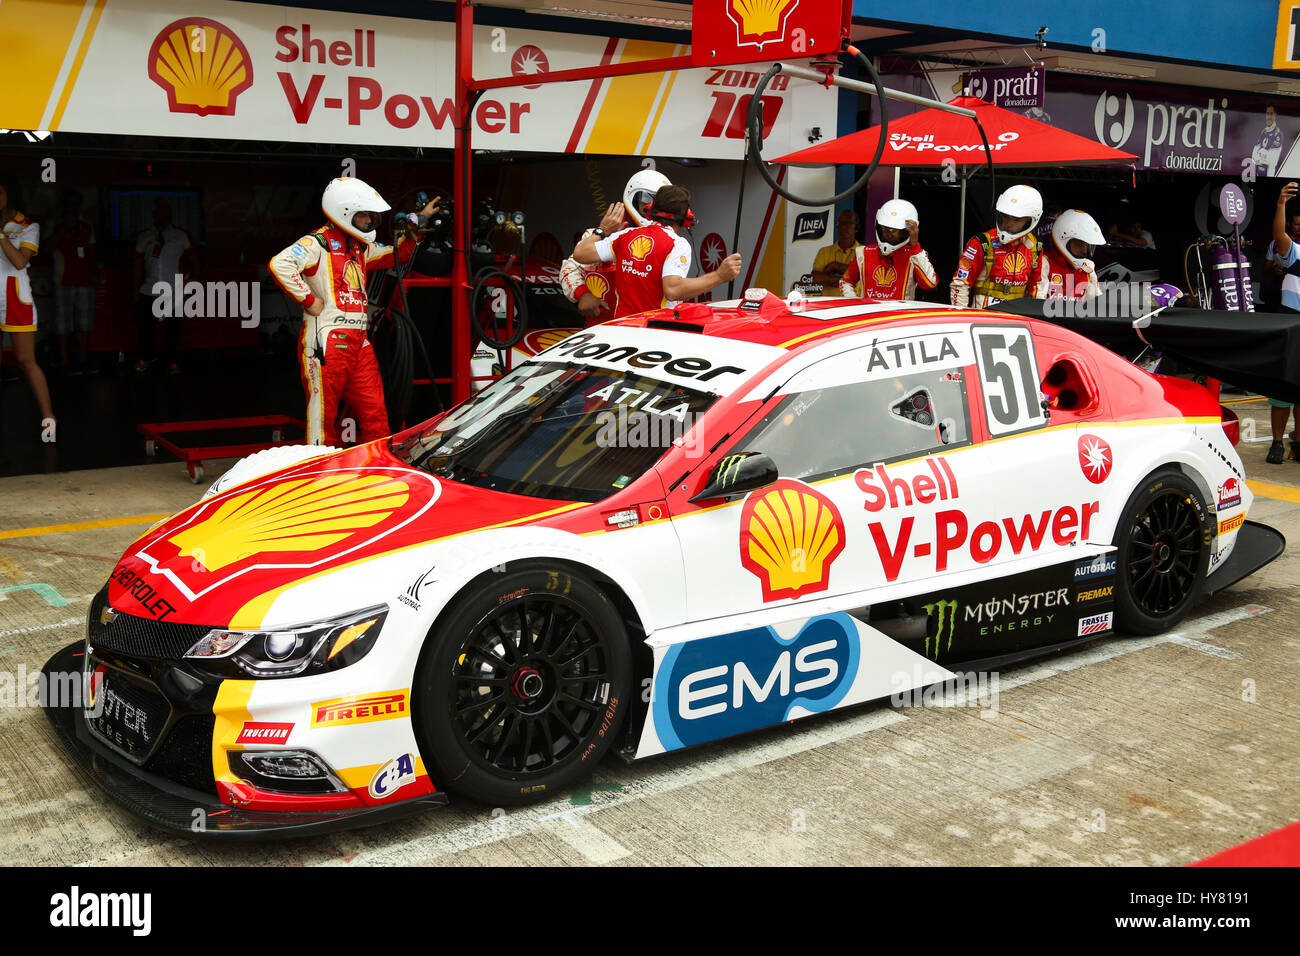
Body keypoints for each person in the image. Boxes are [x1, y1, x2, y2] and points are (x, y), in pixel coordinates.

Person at [270, 177, 436, 447]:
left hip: (359, 341)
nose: (370, 221)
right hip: (326, 340)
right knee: (323, 421)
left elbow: (398, 255)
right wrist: (308, 299)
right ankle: (319, 480)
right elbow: (280, 264)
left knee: (376, 417)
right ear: (345, 212)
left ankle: (380, 475)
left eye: (371, 215)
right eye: (365, 215)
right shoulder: (317, 242)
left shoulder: (361, 247)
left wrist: (418, 221)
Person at [571, 184, 740, 318]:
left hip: (622, 328)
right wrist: (719, 276)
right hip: (655, 332)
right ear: (687, 219)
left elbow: (580, 254)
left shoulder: (625, 235)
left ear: (650, 210)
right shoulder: (677, 244)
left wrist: (602, 230)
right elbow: (672, 290)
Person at [560, 170, 669, 324]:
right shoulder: (598, 236)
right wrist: (583, 294)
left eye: (659, 201)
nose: (652, 205)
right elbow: (569, 268)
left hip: (647, 327)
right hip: (601, 330)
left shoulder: (669, 240)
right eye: (646, 197)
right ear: (634, 198)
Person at [0, 175, 55, 437]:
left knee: (25, 360)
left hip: (15, 298)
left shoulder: (28, 226)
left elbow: (20, 262)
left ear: (9, 194)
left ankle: (49, 418)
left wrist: (0, 234)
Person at [950, 184, 1044, 308]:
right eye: (1004, 216)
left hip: (1018, 320)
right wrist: (960, 316)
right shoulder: (982, 243)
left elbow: (1037, 288)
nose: (1008, 223)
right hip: (983, 319)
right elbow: (960, 283)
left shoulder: (1035, 248)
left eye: (1015, 220)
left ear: (1030, 220)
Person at [133, 198, 195, 375]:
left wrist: (192, 281)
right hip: (148, 288)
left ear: (170, 215)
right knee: (145, 327)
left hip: (173, 289)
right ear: (154, 215)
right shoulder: (145, 236)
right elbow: (137, 264)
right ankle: (146, 358)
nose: (162, 216)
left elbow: (194, 260)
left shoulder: (180, 235)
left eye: (165, 213)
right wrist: (134, 288)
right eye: (159, 213)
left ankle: (173, 361)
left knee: (173, 328)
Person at [1263, 181, 1300, 464]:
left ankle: (1298, 443)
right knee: (1281, 390)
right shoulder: (1295, 252)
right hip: (1290, 324)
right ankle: (1277, 442)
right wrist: (1280, 205)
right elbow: (1279, 235)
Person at [838, 199, 937, 301]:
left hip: (900, 315)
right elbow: (846, 281)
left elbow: (930, 284)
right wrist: (855, 304)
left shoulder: (915, 256)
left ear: (907, 231)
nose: (889, 233)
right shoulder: (864, 253)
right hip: (870, 315)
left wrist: (915, 246)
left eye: (894, 230)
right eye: (885, 228)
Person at [50, 189, 96, 375]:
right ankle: (65, 361)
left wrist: (94, 273)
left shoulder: (86, 225)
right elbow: (46, 247)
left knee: (84, 322)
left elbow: (92, 251)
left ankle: (83, 360)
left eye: (77, 203)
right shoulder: (55, 224)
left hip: (84, 280)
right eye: (70, 203)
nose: (73, 207)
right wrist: (63, 231)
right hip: (62, 280)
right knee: (63, 322)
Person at [1039, 209, 1105, 300]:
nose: (1084, 251)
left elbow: (1098, 300)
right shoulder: (1045, 263)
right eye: (1080, 245)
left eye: (1087, 246)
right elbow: (1037, 301)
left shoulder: (1088, 266)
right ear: (1063, 238)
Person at [810, 210, 862, 296]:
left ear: (856, 227)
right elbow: (815, 278)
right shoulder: (824, 251)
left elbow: (863, 276)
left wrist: (836, 266)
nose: (843, 227)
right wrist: (847, 280)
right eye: (840, 223)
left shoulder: (863, 251)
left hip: (853, 305)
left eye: (848, 223)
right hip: (828, 304)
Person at [1252, 105, 1285, 180]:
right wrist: (1262, 155)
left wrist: (1259, 154)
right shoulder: (1263, 132)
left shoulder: (1278, 134)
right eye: (1267, 113)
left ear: (1275, 115)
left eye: (1271, 113)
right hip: (1258, 174)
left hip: (1269, 175)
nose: (1269, 116)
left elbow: (1271, 159)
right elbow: (1254, 156)